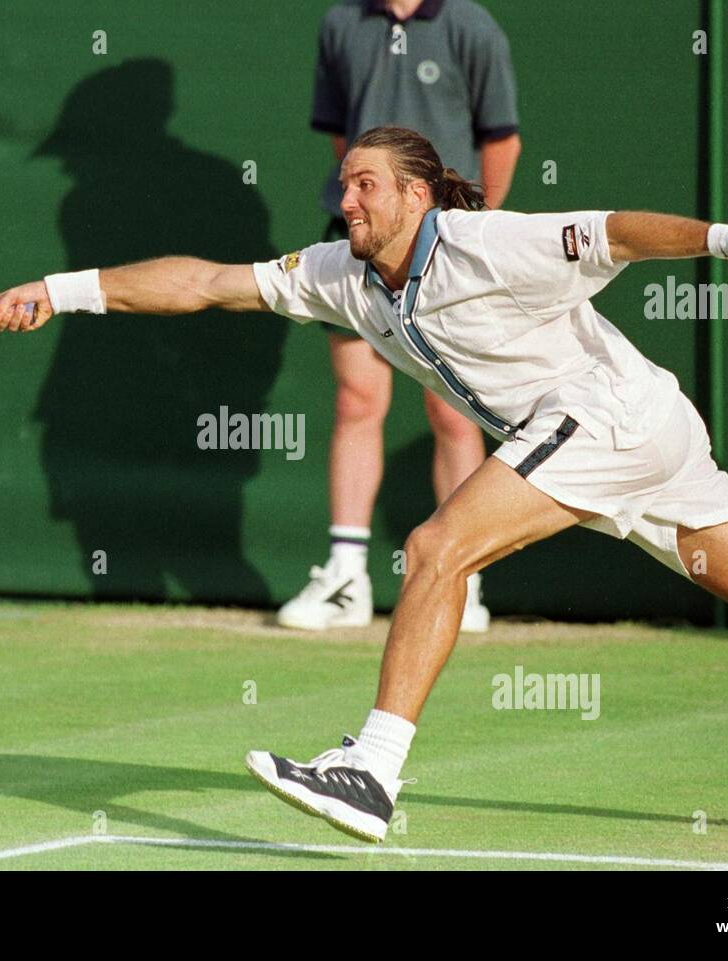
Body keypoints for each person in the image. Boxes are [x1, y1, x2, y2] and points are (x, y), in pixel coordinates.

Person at [0, 126, 728, 845]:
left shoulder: (489, 243)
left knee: (435, 547)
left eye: (365, 184)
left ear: (416, 194)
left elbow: (616, 232)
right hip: (640, 440)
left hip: (608, 416)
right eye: (343, 183)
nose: (346, 198)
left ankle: (372, 769)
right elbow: (207, 282)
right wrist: (61, 292)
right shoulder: (341, 275)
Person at [284, 0, 523, 633]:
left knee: (452, 408)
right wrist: (370, 202)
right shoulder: (340, 24)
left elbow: (500, 137)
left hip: (449, 244)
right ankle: (345, 579)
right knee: (358, 399)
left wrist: (477, 229)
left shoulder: (470, 27)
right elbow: (345, 142)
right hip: (360, 239)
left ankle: (462, 577)